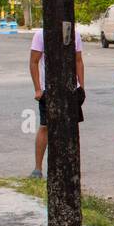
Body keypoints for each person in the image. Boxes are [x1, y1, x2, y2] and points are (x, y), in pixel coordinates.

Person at [29, 25, 85, 179]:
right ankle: (38, 168)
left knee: (71, 127)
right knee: (45, 127)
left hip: (71, 89)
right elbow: (34, 62)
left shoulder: (74, 34)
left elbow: (78, 60)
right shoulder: (41, 34)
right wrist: (38, 89)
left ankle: (70, 165)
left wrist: (81, 86)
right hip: (49, 89)